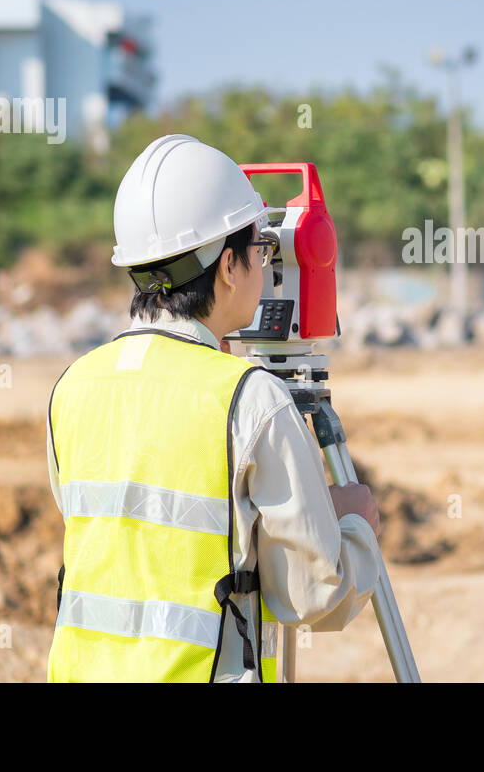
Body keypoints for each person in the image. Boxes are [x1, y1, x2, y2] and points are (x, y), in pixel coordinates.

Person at [46, 133, 380, 682]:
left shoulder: (74, 385)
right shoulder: (249, 399)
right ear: (229, 265)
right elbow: (310, 596)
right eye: (261, 251)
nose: (265, 267)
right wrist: (351, 526)